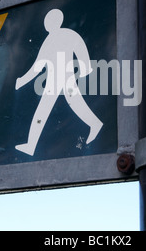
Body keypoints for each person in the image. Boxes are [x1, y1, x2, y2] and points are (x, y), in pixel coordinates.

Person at [15, 9, 103, 156]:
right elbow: (38, 66)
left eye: (48, 20)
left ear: (54, 22)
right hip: (59, 79)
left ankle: (31, 146)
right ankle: (95, 124)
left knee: (47, 109)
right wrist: (85, 68)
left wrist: (21, 81)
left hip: (60, 79)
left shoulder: (55, 39)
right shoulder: (65, 35)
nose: (46, 23)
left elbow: (37, 68)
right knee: (72, 105)